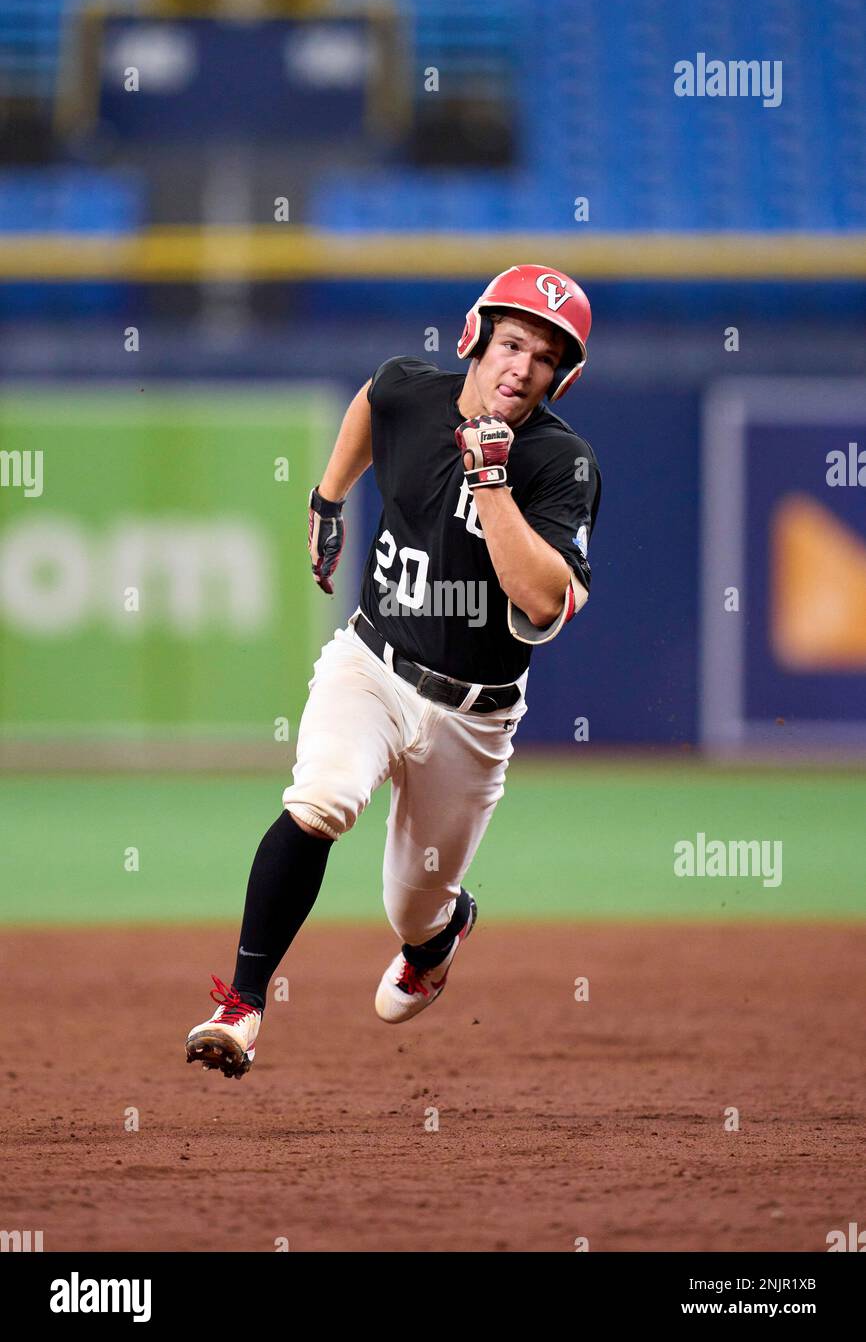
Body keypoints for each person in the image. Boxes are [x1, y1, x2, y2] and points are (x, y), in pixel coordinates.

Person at [185, 264, 601, 1079]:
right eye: (512, 342)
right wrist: (328, 498)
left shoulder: (562, 463)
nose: (522, 366)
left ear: (562, 377)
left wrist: (491, 480)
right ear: (477, 338)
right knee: (323, 798)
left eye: (545, 357)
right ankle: (240, 1007)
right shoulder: (413, 391)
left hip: (475, 717)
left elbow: (544, 601)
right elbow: (373, 400)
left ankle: (438, 937)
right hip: (372, 666)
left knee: (411, 905)